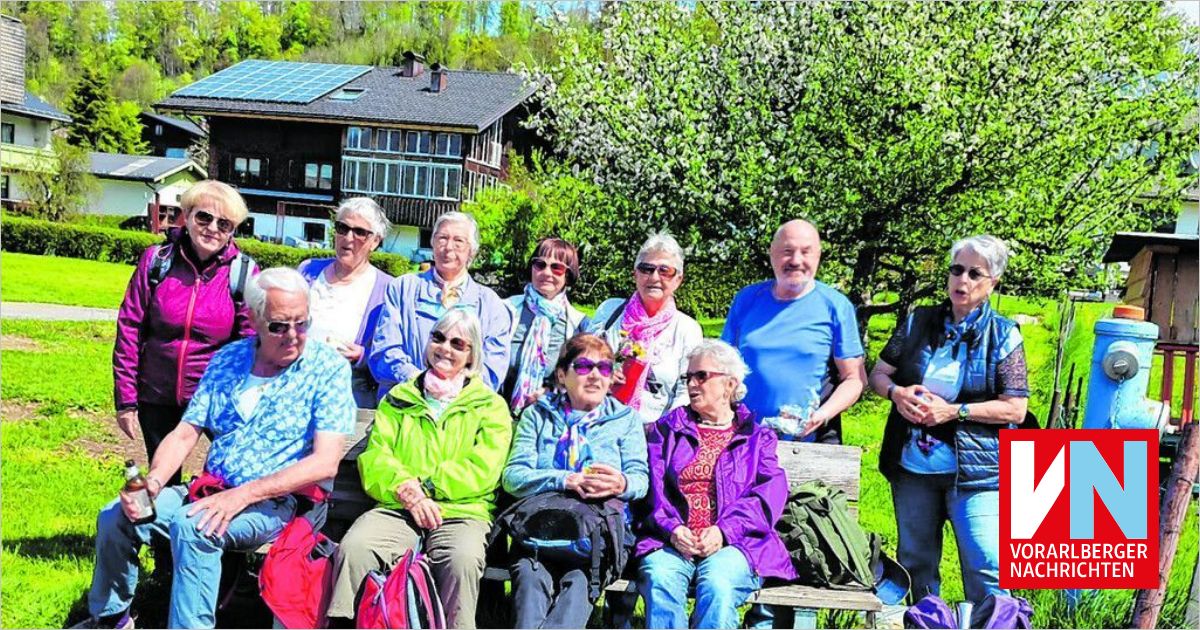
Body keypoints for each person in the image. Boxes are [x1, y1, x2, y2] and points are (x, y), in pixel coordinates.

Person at [75, 268, 355, 629]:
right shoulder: (228, 360)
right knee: (117, 515)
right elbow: (185, 433)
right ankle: (111, 619)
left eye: (302, 324)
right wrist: (155, 483)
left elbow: (325, 464)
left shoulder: (327, 369)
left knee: (195, 528)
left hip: (276, 502)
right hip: (211, 490)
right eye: (279, 326)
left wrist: (241, 496)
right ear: (253, 319)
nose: (293, 337)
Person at [868, 235, 1029, 605]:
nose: (963, 280)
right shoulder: (917, 322)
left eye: (976, 273)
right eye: (957, 270)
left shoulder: (1004, 334)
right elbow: (878, 374)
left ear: (993, 283)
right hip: (913, 470)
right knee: (916, 565)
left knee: (987, 565)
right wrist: (897, 393)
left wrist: (954, 411)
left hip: (978, 474)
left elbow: (1015, 408)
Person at [329, 309, 513, 629]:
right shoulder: (399, 398)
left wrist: (426, 488)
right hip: (398, 505)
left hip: (461, 511)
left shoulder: (491, 406)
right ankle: (345, 624)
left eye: (458, 343)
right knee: (356, 547)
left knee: (461, 560)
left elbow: (483, 467)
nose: (445, 348)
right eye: (438, 338)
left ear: (472, 355)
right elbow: (376, 457)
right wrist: (407, 491)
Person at [636, 340, 795, 629]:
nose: (692, 384)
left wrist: (723, 532)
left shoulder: (757, 439)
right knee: (660, 577)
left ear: (730, 385)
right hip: (671, 540)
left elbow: (766, 498)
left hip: (738, 543)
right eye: (688, 377)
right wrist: (672, 529)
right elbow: (653, 491)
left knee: (718, 583)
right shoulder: (667, 431)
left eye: (701, 376)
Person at [112, 180, 257, 487]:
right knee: (161, 480)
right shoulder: (156, 261)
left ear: (233, 230)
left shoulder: (243, 273)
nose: (212, 228)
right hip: (157, 394)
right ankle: (161, 534)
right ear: (187, 216)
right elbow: (130, 329)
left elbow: (250, 345)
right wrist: (126, 399)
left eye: (225, 223)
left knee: (227, 476)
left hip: (215, 396)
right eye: (204, 217)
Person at [502, 333, 648, 629]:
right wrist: (565, 479)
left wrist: (620, 483)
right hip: (538, 533)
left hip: (596, 538)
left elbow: (640, 479)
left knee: (579, 585)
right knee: (531, 582)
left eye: (604, 368)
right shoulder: (537, 416)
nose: (595, 375)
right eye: (583, 366)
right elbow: (513, 477)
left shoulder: (625, 420)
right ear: (561, 374)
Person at [721, 219, 866, 443]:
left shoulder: (836, 306)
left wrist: (822, 416)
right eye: (787, 251)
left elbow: (854, 379)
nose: (796, 261)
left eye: (806, 252)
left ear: (818, 255)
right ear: (772, 254)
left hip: (807, 438)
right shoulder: (747, 299)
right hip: (744, 436)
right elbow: (721, 365)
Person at [369, 211, 513, 396]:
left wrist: (452, 391)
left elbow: (493, 370)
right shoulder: (402, 289)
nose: (448, 247)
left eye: (458, 241)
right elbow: (383, 352)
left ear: (472, 250)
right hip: (405, 405)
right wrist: (421, 381)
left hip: (462, 413)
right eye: (442, 238)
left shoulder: (490, 304)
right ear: (433, 242)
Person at [586, 232, 703, 425]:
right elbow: (580, 360)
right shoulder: (609, 312)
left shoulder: (687, 330)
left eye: (665, 271)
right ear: (635, 274)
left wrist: (665, 433)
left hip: (655, 432)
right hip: (598, 421)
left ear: (678, 280)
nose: (654, 277)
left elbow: (686, 392)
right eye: (646, 269)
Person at [298, 197, 395, 408]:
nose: (348, 238)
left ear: (375, 241)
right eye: (342, 228)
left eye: (360, 232)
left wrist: (362, 355)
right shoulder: (308, 270)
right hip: (297, 389)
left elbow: (391, 351)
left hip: (348, 398)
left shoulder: (387, 289)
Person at [503, 238, 588, 412]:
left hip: (549, 415)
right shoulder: (506, 310)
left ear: (568, 275)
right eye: (540, 264)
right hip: (498, 413)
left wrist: (551, 391)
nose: (547, 272)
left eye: (557, 268)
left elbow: (580, 379)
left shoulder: (579, 325)